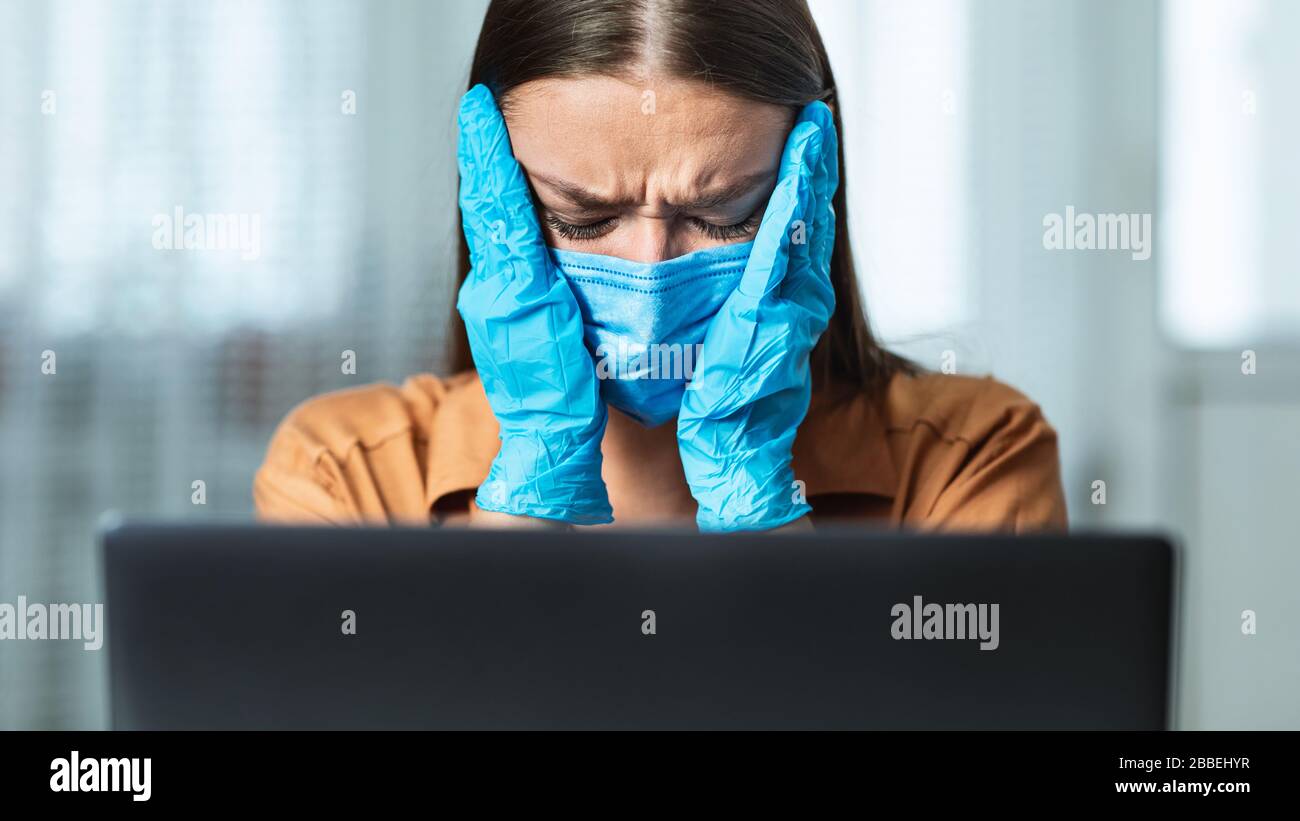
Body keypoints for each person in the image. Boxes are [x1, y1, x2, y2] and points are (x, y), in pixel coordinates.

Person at [253, 0, 1068, 532]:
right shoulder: (343, 476)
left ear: (809, 200)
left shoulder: (971, 457)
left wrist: (755, 498)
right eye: (581, 216)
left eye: (723, 214)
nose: (648, 272)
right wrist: (535, 477)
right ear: (491, 201)